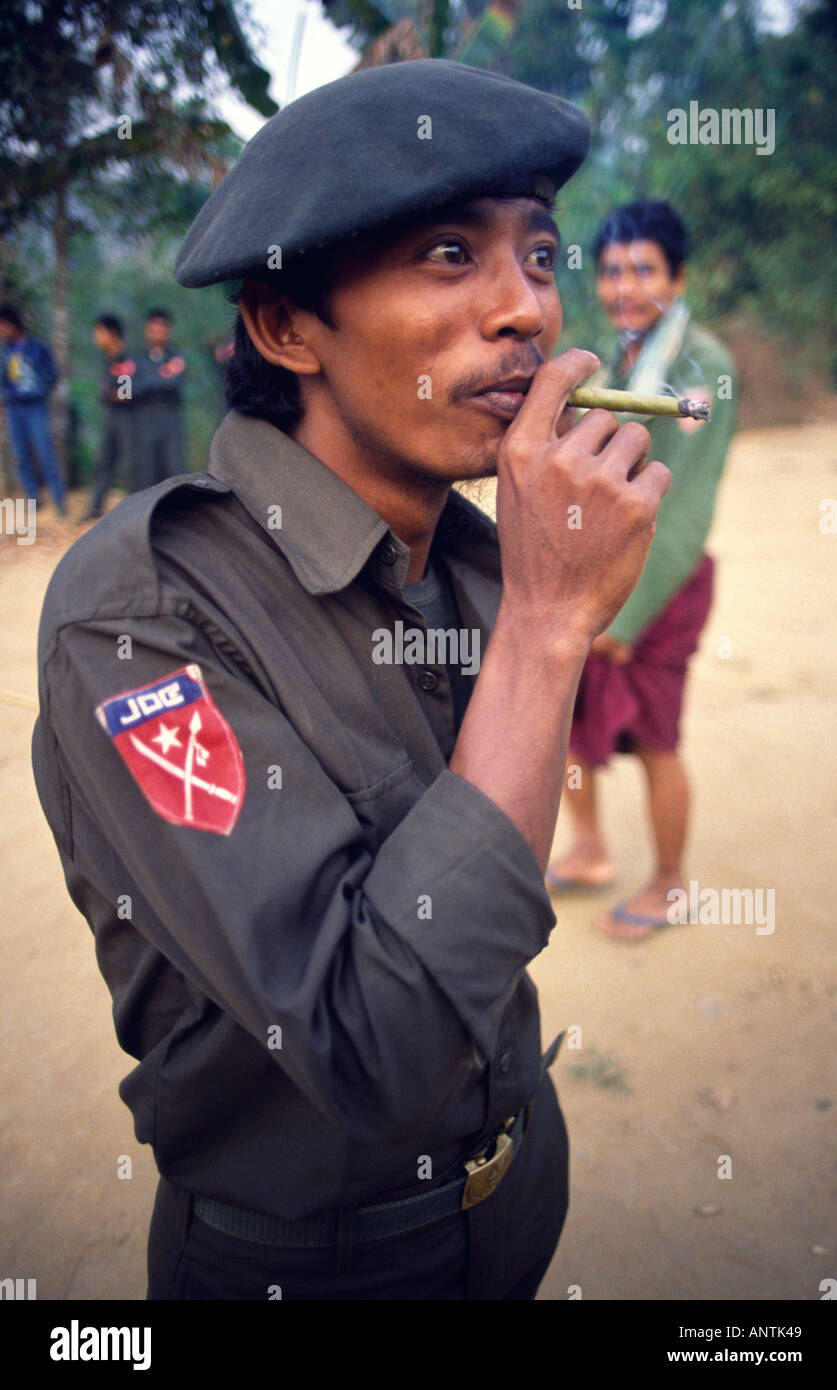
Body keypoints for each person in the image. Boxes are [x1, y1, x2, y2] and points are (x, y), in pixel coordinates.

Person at [31, 60, 668, 1301]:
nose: (527, 310)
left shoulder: (484, 553)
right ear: (284, 327)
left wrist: (537, 604)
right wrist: (549, 631)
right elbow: (371, 1042)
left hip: (515, 1199)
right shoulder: (144, 610)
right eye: (446, 254)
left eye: (539, 255)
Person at [546, 198, 737, 938]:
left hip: (657, 587)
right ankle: (590, 849)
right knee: (566, 722)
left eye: (645, 271)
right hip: (595, 575)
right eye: (614, 271)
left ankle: (670, 882)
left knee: (657, 739)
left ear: (679, 277)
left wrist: (624, 614)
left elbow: (685, 502)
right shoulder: (607, 352)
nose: (626, 287)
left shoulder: (707, 366)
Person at [0, 303, 66, 516]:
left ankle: (59, 501)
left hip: (35, 406)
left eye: (3, 326)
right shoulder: (5, 351)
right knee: (21, 456)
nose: (2, 331)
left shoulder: (37, 347)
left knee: (45, 452)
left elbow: (52, 374)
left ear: (12, 324)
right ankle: (33, 500)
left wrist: (41, 390)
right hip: (14, 407)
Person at [83, 315, 139, 520]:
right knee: (103, 461)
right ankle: (95, 508)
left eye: (99, 332)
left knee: (131, 464)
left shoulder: (125, 358)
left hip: (128, 418)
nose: (96, 337)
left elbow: (125, 395)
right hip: (112, 417)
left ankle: (135, 509)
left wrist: (108, 394)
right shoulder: (108, 358)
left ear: (111, 333)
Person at [132, 309, 186, 487]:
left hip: (170, 418)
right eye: (154, 329)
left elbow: (175, 384)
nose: (158, 333)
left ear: (169, 331)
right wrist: (162, 375)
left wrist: (146, 382)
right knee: (146, 471)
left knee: (175, 469)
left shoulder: (177, 358)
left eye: (162, 328)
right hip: (144, 419)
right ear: (147, 330)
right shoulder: (134, 359)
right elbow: (127, 392)